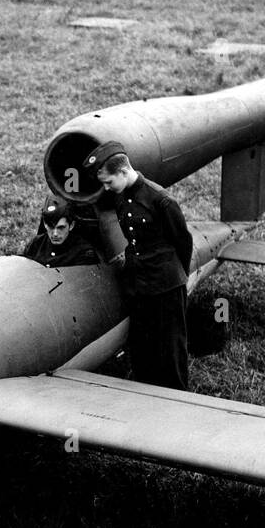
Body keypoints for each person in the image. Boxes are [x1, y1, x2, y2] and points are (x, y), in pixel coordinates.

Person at [84, 142, 193, 391]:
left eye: (108, 182)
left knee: (171, 348)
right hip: (139, 283)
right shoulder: (121, 197)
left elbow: (182, 242)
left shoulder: (161, 200)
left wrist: (176, 276)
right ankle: (145, 396)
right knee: (142, 346)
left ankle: (177, 400)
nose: (106, 188)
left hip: (166, 285)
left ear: (123, 172)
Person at [21, 201, 99, 267]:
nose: (55, 234)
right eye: (51, 227)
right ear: (45, 224)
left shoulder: (83, 252)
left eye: (61, 228)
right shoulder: (36, 243)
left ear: (71, 225)